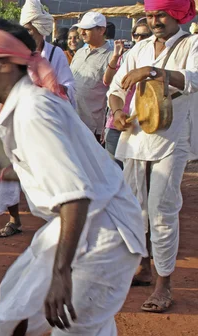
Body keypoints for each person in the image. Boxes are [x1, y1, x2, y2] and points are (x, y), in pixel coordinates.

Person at [0, 17, 146, 336]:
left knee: (72, 326)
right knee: (16, 300)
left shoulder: (33, 110)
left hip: (105, 233)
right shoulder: (25, 103)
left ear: (7, 64)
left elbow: (75, 197)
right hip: (83, 222)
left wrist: (62, 274)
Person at [108, 0, 198, 313]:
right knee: (134, 204)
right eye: (150, 14)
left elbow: (194, 79)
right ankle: (143, 267)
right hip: (135, 135)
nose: (155, 19)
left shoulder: (192, 43)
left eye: (160, 13)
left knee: (162, 207)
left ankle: (164, 284)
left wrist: (155, 72)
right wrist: (118, 110)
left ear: (177, 13)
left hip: (175, 137)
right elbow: (116, 88)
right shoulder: (139, 48)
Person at [0, 0, 77, 238]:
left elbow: (69, 86)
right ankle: (14, 219)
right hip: (16, 120)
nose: (25, 34)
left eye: (29, 30)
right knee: (10, 170)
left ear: (40, 29)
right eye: (23, 30)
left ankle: (57, 222)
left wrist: (50, 86)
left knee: (47, 173)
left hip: (46, 122)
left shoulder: (55, 53)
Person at [102, 20, 152, 169]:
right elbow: (107, 82)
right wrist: (116, 56)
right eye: (136, 35)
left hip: (141, 123)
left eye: (145, 36)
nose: (140, 40)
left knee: (137, 174)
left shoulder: (155, 57)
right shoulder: (126, 57)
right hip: (117, 121)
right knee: (112, 172)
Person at [70, 12, 113, 142]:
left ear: (101, 30)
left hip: (91, 126)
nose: (82, 32)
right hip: (70, 119)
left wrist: (107, 127)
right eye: (81, 29)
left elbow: (114, 91)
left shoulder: (111, 56)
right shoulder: (80, 52)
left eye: (87, 29)